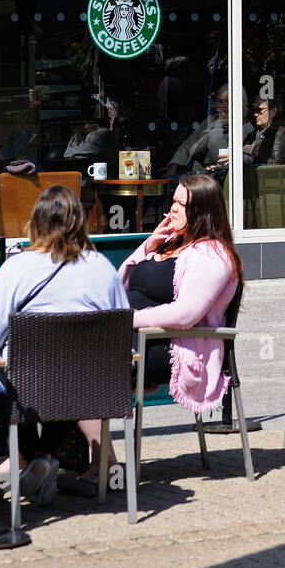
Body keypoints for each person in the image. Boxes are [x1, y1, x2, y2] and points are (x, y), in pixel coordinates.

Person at [0, 185, 130, 505]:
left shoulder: (16, 268)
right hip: (88, 390)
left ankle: (27, 456)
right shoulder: (101, 268)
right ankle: (44, 456)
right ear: (80, 222)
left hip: (25, 389)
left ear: (36, 222)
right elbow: (121, 331)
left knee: (5, 374)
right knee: (71, 375)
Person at [118, 173, 243, 413]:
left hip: (172, 345)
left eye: (180, 204)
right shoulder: (170, 242)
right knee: (69, 355)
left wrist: (127, 319)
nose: (172, 209)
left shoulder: (211, 255)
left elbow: (185, 314)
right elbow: (118, 285)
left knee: (82, 363)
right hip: (135, 337)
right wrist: (148, 246)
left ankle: (77, 448)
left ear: (202, 213)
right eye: (173, 202)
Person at [244, 95, 285, 166]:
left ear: (273, 111)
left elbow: (275, 164)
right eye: (254, 110)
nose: (255, 114)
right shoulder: (252, 134)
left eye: (259, 110)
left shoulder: (280, 132)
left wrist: (242, 159)